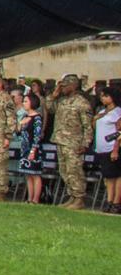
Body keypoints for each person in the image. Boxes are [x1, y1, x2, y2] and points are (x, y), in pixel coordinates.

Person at [47, 74, 94, 210]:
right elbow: (49, 108)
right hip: (61, 140)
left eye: (64, 86)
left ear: (73, 86)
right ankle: (72, 196)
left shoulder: (82, 103)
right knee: (64, 170)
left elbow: (87, 126)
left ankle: (79, 198)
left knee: (75, 170)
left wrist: (85, 143)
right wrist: (54, 95)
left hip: (74, 142)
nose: (62, 88)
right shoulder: (62, 101)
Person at [94, 86, 121, 214]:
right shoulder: (103, 112)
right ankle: (109, 200)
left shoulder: (118, 112)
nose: (102, 98)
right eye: (101, 96)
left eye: (105, 95)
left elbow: (119, 132)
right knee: (108, 177)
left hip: (112, 148)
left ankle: (116, 202)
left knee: (117, 176)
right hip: (102, 149)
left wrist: (115, 149)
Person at [16, 92, 45, 204]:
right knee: (28, 174)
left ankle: (35, 199)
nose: (24, 103)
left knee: (35, 174)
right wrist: (20, 124)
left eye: (26, 101)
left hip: (33, 149)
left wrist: (33, 150)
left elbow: (37, 136)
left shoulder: (37, 118)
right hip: (24, 147)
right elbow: (19, 133)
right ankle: (29, 198)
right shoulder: (25, 116)